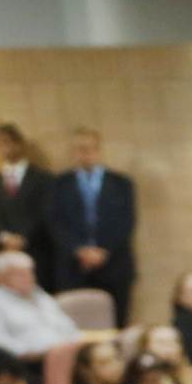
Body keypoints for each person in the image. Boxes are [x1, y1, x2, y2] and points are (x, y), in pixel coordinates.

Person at [45, 127, 136, 326]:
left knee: (115, 324)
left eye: (89, 148)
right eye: (79, 149)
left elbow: (126, 222)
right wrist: (79, 250)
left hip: (113, 265)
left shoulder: (121, 183)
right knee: (73, 324)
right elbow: (54, 223)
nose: (85, 153)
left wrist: (103, 251)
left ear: (98, 150)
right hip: (73, 267)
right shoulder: (58, 184)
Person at [0, 122, 52, 284]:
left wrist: (23, 237)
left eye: (8, 141)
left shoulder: (43, 178)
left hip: (36, 251)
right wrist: (4, 237)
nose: (4, 147)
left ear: (19, 143)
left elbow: (44, 212)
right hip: (5, 254)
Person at [0, 247, 79, 355]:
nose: (28, 278)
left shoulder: (41, 296)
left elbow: (69, 327)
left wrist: (76, 344)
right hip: (27, 358)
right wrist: (29, 353)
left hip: (66, 351)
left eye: (30, 272)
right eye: (20, 274)